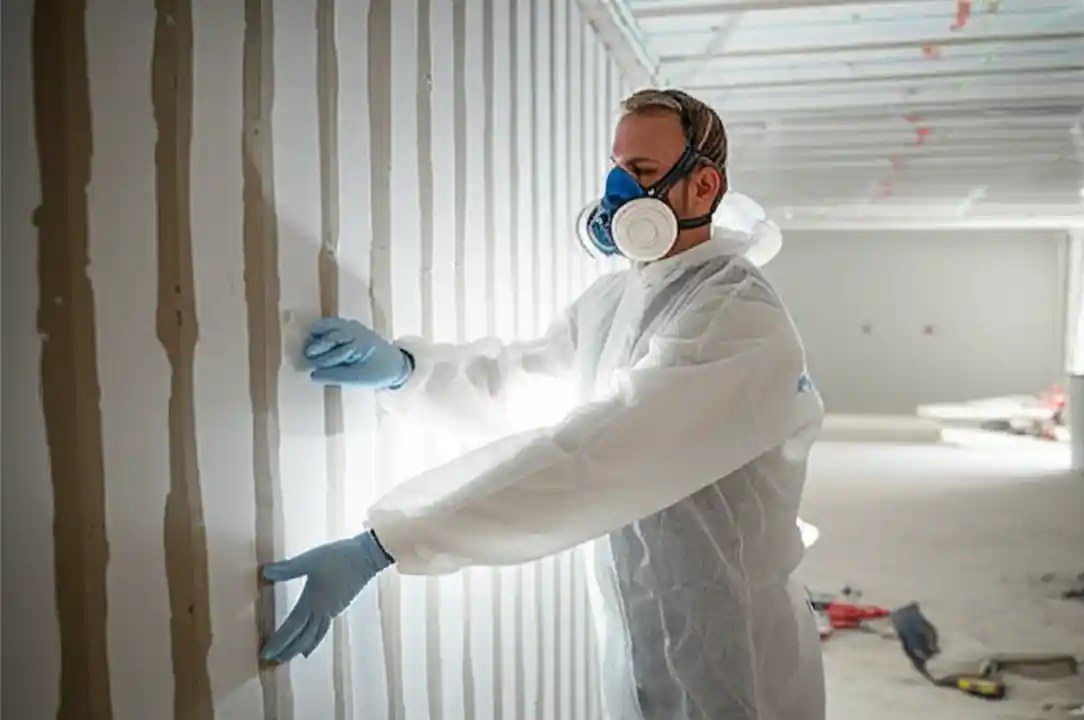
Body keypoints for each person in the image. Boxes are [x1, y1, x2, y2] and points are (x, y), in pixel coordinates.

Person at [261, 88, 826, 720]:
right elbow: (524, 381)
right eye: (616, 167)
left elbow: (602, 451)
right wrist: (407, 372)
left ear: (702, 186)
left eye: (639, 173)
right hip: (642, 630)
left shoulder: (738, 315)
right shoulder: (619, 300)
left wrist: (388, 542)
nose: (618, 191)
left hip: (735, 645)